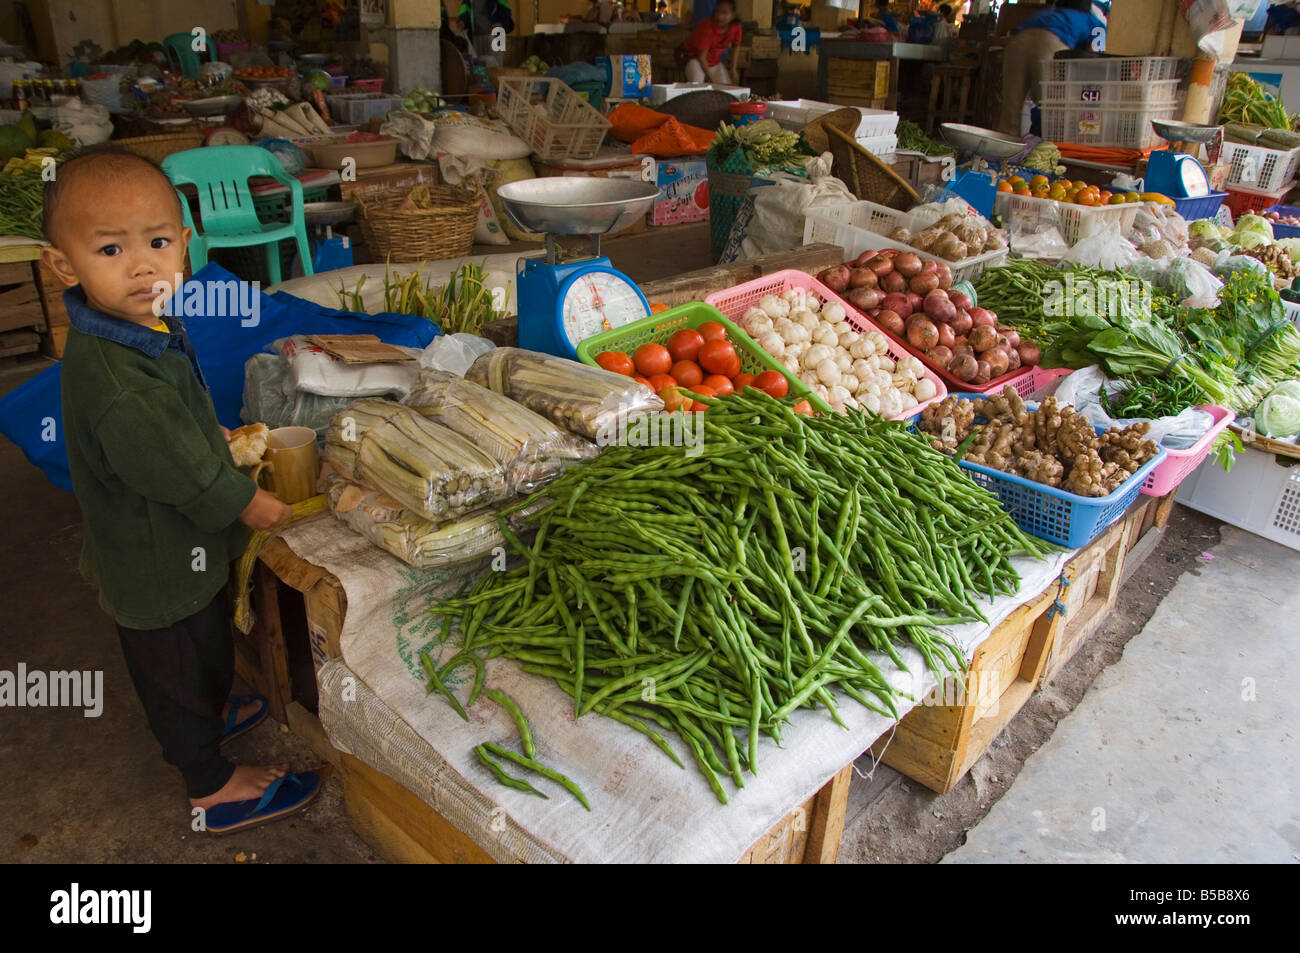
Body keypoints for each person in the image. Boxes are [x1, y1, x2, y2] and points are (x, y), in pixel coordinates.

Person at [41, 149, 320, 835]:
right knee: (175, 661)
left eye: (158, 242)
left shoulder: (142, 326)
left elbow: (179, 420)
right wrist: (247, 501)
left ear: (186, 244)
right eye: (110, 248)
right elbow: (175, 469)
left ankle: (208, 706)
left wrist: (214, 430)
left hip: (179, 556)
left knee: (205, 646)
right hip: (153, 565)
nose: (142, 266)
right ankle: (209, 781)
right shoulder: (117, 381)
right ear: (63, 266)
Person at [998, 0, 1106, 136]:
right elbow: (1093, 59)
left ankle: (1003, 154)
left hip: (1017, 44)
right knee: (1052, 110)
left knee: (1010, 109)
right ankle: (1047, 152)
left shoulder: (1046, 14)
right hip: (1049, 46)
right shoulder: (1096, 24)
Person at [680, 0, 742, 85]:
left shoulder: (736, 27)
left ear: (733, 15)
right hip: (693, 57)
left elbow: (736, 46)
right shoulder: (708, 29)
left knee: (726, 88)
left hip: (713, 61)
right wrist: (712, 79)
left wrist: (733, 69)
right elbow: (701, 57)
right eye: (717, 11)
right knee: (697, 86)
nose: (719, 16)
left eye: (724, 13)